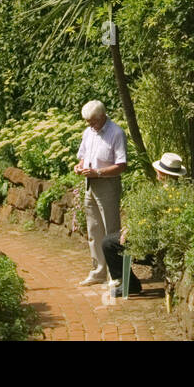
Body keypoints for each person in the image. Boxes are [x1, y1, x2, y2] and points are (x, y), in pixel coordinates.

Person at [102, 152, 187, 296]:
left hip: (154, 245)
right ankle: (130, 283)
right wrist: (131, 227)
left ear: (161, 173)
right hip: (157, 238)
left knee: (108, 244)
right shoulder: (179, 191)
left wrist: (132, 231)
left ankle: (129, 284)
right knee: (115, 239)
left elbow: (155, 223)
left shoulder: (168, 194)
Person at [74, 99, 128, 286]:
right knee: (93, 230)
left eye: (94, 121)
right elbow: (82, 156)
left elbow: (121, 165)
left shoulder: (116, 133)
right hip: (91, 185)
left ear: (103, 116)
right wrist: (79, 167)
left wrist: (98, 172)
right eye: (88, 122)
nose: (91, 125)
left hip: (108, 185)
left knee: (111, 231)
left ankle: (116, 275)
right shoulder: (88, 132)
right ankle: (98, 272)